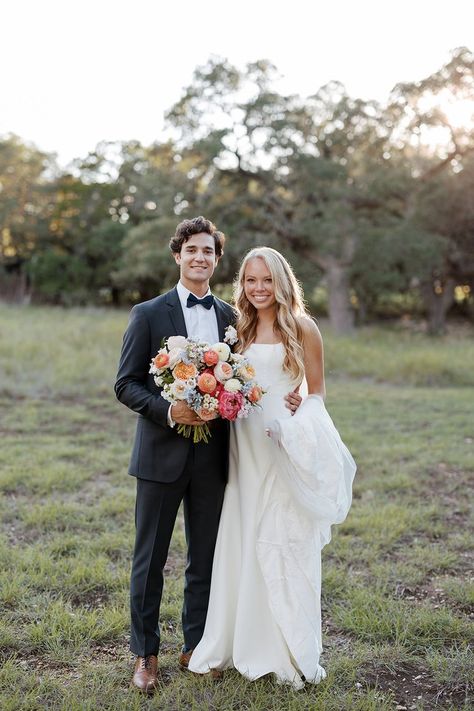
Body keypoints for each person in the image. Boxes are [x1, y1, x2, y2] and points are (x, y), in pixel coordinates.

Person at [114, 220, 301, 694]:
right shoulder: (148, 313)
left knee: (206, 558)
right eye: (191, 250)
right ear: (178, 256)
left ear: (218, 261)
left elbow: (256, 374)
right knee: (149, 559)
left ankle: (197, 644)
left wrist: (293, 398)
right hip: (159, 457)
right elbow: (126, 384)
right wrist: (169, 409)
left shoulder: (230, 318)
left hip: (216, 458)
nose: (200, 258)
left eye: (209, 252)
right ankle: (146, 653)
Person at [189, 247, 356, 688]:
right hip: (243, 448)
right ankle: (234, 639)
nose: (258, 289)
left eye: (266, 280)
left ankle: (281, 647)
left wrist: (297, 413)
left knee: (280, 539)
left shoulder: (303, 327)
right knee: (242, 533)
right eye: (250, 280)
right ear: (241, 285)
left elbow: (317, 394)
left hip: (280, 445)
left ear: (282, 281)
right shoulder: (238, 331)